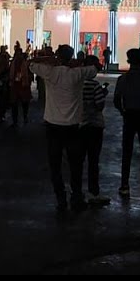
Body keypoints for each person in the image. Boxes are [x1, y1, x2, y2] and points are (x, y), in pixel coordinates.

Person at [30, 44, 98, 213]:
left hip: (53, 124)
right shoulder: (78, 73)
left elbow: (30, 63)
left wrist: (50, 59)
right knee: (76, 164)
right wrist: (78, 62)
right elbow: (96, 67)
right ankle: (76, 196)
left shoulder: (50, 72)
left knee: (55, 164)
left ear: (58, 56)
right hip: (73, 125)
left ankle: (61, 198)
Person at [114, 48, 140, 200]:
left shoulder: (123, 79)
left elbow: (116, 100)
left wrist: (123, 111)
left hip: (129, 116)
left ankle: (124, 185)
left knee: (127, 152)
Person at [80, 55, 111, 205]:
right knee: (93, 161)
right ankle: (93, 192)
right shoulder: (95, 86)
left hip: (79, 125)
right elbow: (99, 105)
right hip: (94, 126)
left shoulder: (76, 84)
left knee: (78, 161)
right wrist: (102, 94)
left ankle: (77, 191)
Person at [9, 43, 32, 126]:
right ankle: (15, 120)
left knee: (24, 102)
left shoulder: (23, 62)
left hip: (22, 84)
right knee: (15, 103)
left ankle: (24, 117)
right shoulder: (14, 62)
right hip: (16, 84)